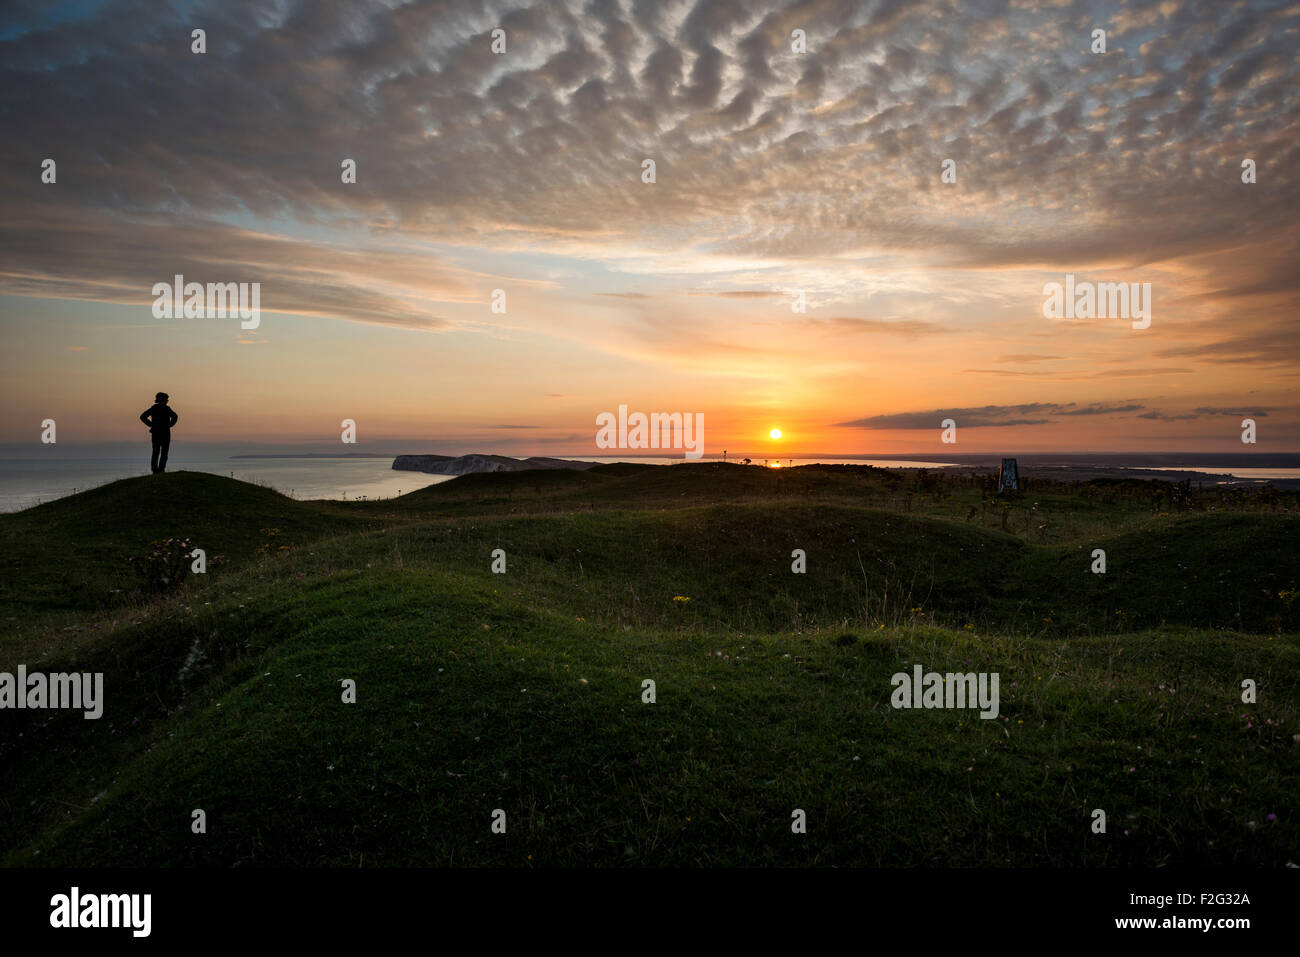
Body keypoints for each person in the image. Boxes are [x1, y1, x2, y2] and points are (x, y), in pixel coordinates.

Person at [139, 392, 178, 474]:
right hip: (162, 433)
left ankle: (157, 470)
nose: (167, 401)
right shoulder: (164, 408)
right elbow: (175, 416)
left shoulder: (157, 408)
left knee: (158, 452)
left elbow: (175, 416)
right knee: (161, 452)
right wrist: (152, 425)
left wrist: (152, 425)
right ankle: (159, 470)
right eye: (166, 399)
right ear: (162, 400)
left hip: (159, 432)